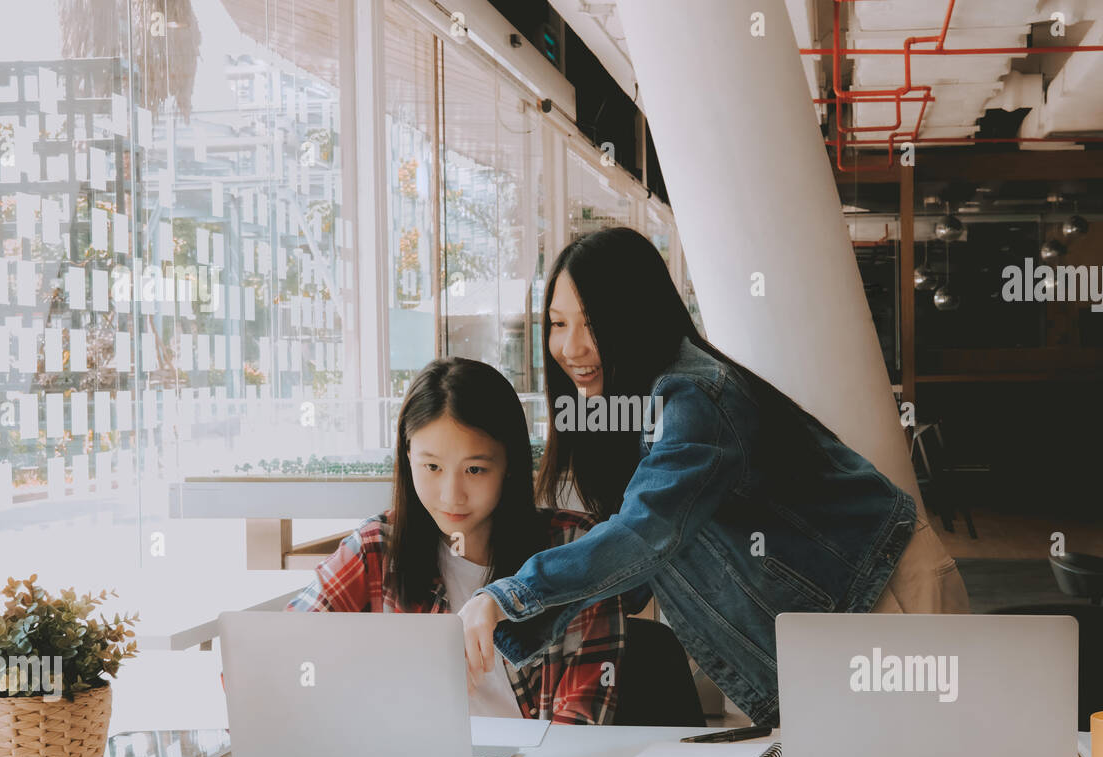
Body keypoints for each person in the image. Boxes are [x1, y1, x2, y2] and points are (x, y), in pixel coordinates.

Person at [457, 226, 968, 727]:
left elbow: (644, 532)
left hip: (876, 596)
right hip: (809, 628)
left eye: (591, 322)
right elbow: (639, 565)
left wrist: (510, 596)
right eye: (557, 323)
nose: (571, 347)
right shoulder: (627, 407)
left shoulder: (694, 397)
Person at [285, 357, 627, 725]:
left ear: (509, 464)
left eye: (475, 469)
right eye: (432, 467)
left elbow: (580, 724)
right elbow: (280, 658)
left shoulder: (574, 547)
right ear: (408, 456)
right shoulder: (377, 548)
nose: (452, 496)